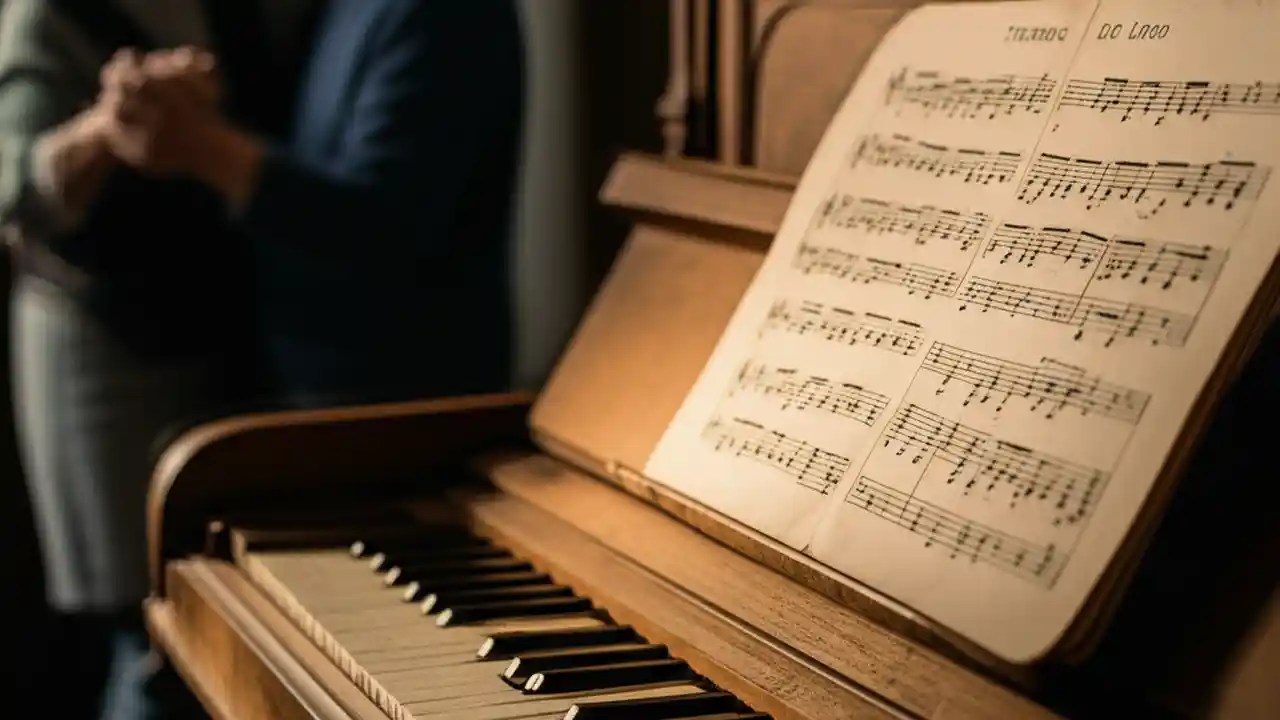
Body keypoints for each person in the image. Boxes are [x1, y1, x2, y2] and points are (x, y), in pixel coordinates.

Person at [0, 1, 523, 717]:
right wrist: (113, 127)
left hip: (363, 404)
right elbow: (15, 192)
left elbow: (383, 222)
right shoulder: (51, 17)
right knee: (157, 643)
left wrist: (202, 142)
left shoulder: (419, 16)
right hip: (133, 368)